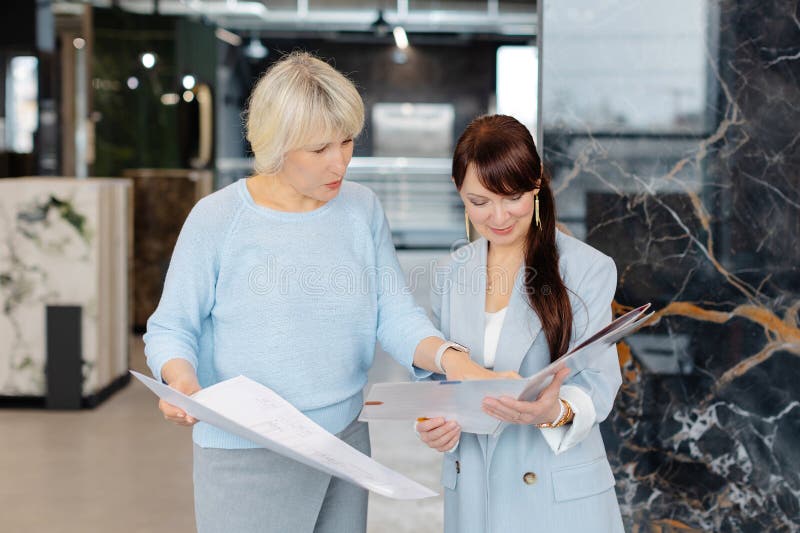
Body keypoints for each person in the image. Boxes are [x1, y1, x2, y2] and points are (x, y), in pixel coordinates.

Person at [143, 52, 512, 533]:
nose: (339, 162)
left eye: (346, 141)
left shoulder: (361, 208)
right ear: (277, 145)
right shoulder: (218, 219)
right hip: (249, 452)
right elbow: (172, 327)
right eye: (319, 150)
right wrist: (181, 384)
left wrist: (461, 366)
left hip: (345, 442)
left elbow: (394, 314)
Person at [416, 114, 625, 532]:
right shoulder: (449, 273)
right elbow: (436, 376)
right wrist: (434, 422)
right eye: (479, 202)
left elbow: (599, 384)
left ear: (536, 185)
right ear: (460, 194)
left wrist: (553, 411)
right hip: (474, 491)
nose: (497, 217)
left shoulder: (586, 269)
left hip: (555, 493)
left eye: (511, 197)